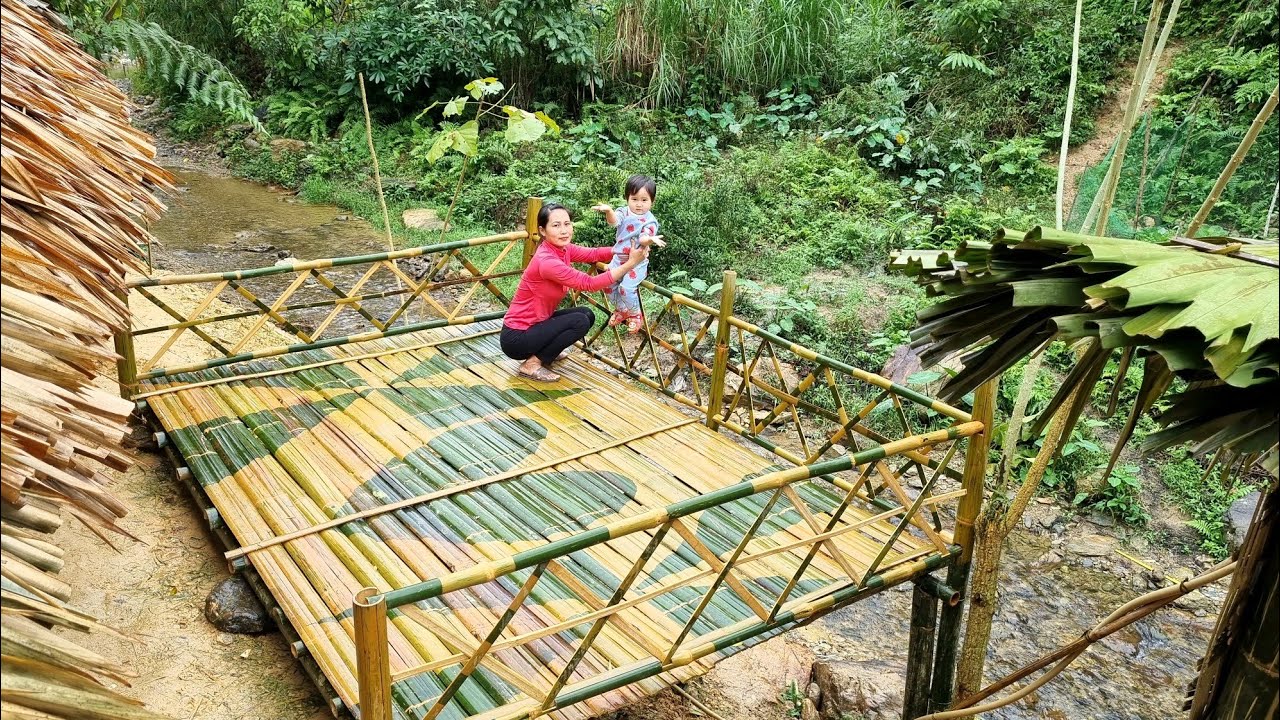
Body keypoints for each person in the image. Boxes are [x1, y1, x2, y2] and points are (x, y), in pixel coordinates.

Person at [501, 203, 651, 382]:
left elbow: (593, 254)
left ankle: (545, 352)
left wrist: (626, 251)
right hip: (517, 337)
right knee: (579, 321)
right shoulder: (546, 261)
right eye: (556, 226)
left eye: (567, 224)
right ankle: (531, 364)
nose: (564, 230)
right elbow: (589, 283)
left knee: (586, 314)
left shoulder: (562, 249)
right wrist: (630, 264)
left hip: (536, 326)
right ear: (542, 230)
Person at [592, 174, 665, 333]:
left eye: (644, 200)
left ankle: (635, 314)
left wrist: (650, 239)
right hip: (618, 259)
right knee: (607, 284)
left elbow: (643, 238)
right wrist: (609, 211)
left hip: (636, 263)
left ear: (652, 201)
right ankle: (622, 309)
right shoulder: (623, 212)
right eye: (634, 199)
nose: (639, 204)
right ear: (627, 198)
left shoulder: (650, 221)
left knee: (625, 288)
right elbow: (614, 222)